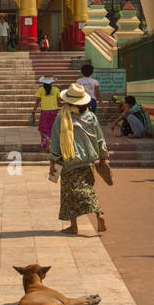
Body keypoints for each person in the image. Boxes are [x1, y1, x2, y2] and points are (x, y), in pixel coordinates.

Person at [49, 82, 109, 235]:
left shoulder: (62, 117)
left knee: (69, 194)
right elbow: (100, 139)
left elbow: (55, 142)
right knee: (87, 188)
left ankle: (75, 225)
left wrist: (53, 161)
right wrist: (103, 158)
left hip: (69, 160)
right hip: (88, 161)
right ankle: (98, 214)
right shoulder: (90, 116)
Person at [31, 76, 60, 149]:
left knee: (42, 127)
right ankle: (51, 142)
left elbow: (37, 102)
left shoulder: (41, 89)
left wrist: (33, 112)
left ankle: (45, 140)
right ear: (52, 82)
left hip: (44, 112)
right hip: (54, 111)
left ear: (43, 82)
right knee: (52, 127)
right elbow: (59, 101)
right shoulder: (56, 89)